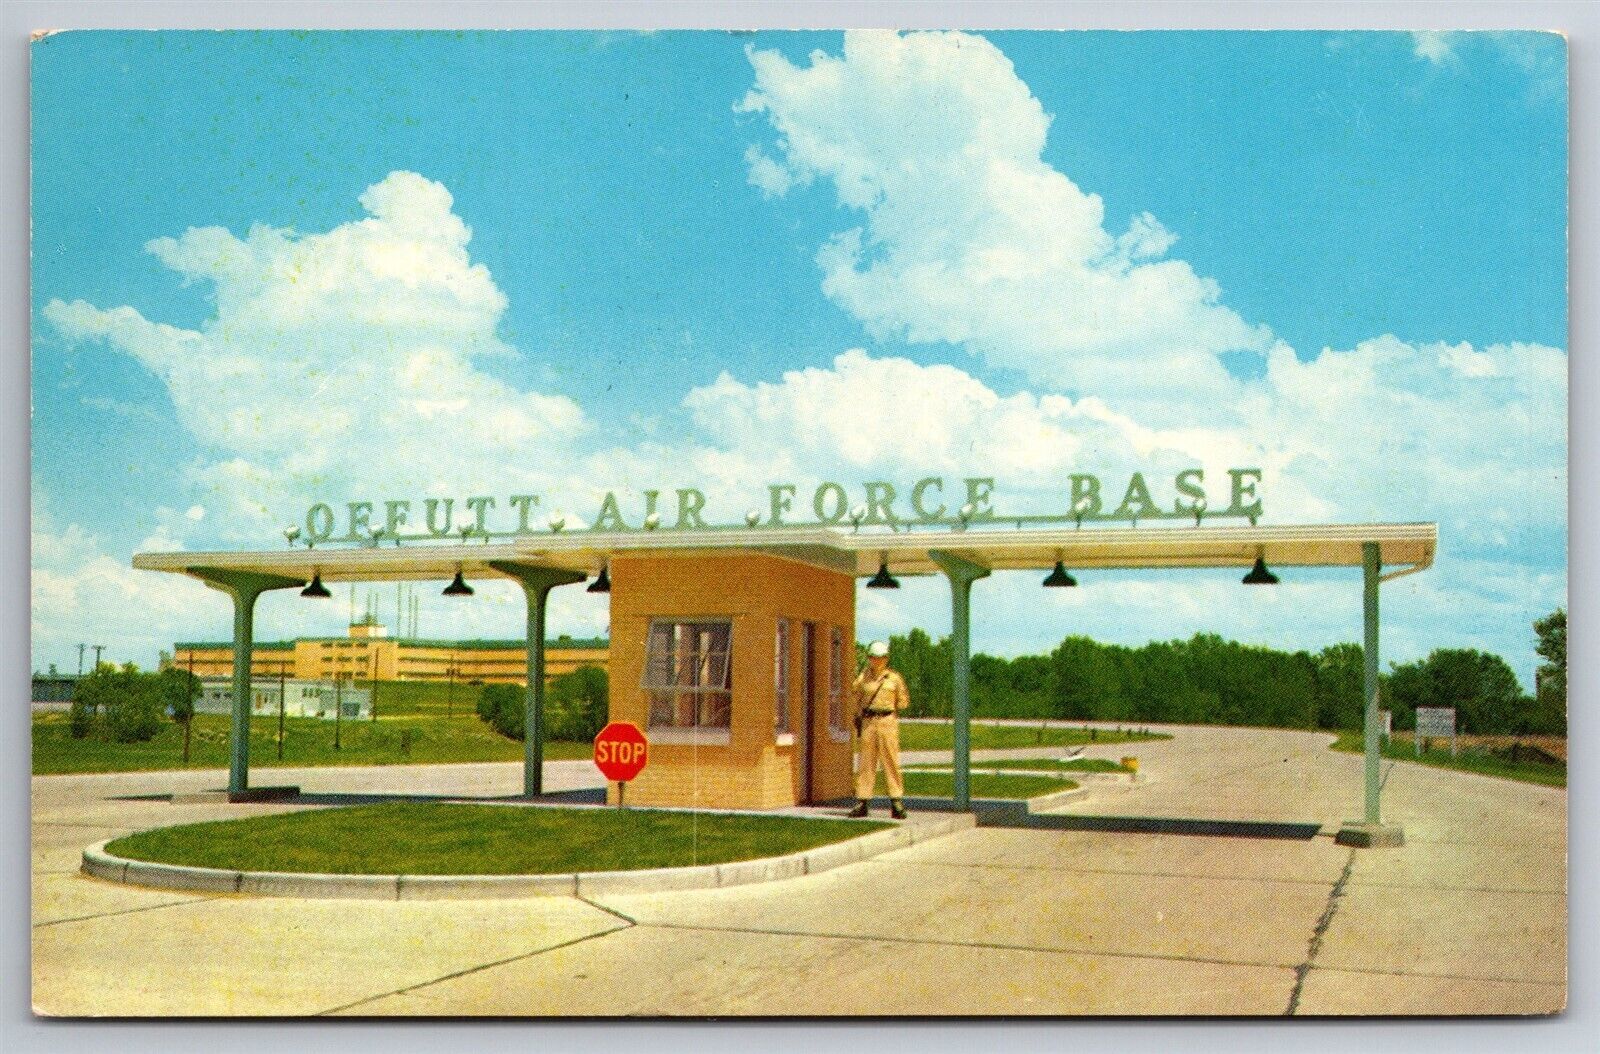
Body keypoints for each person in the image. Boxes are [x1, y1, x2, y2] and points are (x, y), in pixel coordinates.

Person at [849, 640, 910, 819]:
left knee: (890, 761)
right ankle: (863, 801)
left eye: (881, 658)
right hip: (869, 721)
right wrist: (857, 715)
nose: (877, 661)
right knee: (866, 762)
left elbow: (903, 701)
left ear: (886, 658)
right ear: (869, 658)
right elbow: (855, 696)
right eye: (874, 657)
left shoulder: (894, 679)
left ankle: (896, 802)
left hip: (887, 721)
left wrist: (890, 709)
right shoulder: (863, 677)